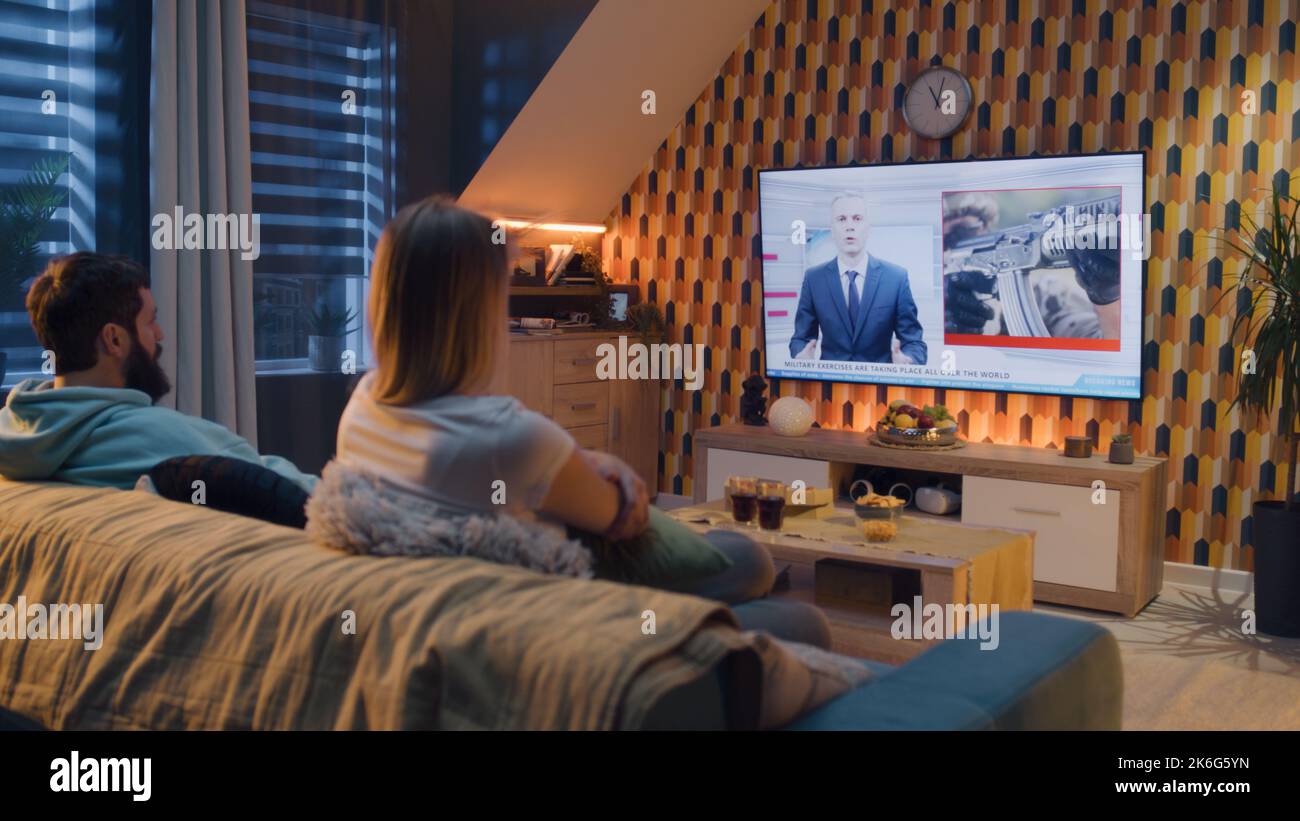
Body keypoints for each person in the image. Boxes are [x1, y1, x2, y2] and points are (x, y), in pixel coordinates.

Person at [333, 195, 830, 646]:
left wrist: (579, 460)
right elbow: (626, 518)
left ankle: (700, 619)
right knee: (769, 586)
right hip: (561, 616)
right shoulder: (511, 438)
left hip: (448, 597)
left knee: (742, 561)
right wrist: (601, 470)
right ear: (476, 312)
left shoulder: (363, 405)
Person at [0, 252, 316, 491]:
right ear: (114, 339)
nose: (160, 334)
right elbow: (285, 489)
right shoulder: (159, 438)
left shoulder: (12, 435)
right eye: (150, 321)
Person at [788, 193, 927, 365]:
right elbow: (800, 338)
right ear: (832, 230)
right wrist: (800, 357)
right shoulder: (813, 279)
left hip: (881, 385)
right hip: (829, 384)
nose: (849, 226)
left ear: (868, 228)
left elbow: (914, 342)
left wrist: (909, 362)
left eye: (857, 218)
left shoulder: (896, 278)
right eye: (841, 219)